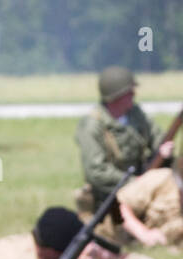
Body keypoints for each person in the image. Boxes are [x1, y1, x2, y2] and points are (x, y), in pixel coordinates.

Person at [74, 66, 172, 213]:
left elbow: (156, 136)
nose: (134, 94)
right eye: (129, 92)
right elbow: (97, 172)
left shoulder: (135, 113)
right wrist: (135, 183)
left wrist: (163, 151)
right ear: (116, 96)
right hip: (108, 198)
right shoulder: (92, 125)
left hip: (141, 187)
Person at [96, 154, 183, 255]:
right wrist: (142, 232)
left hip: (153, 254)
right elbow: (117, 206)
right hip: (114, 240)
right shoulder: (160, 179)